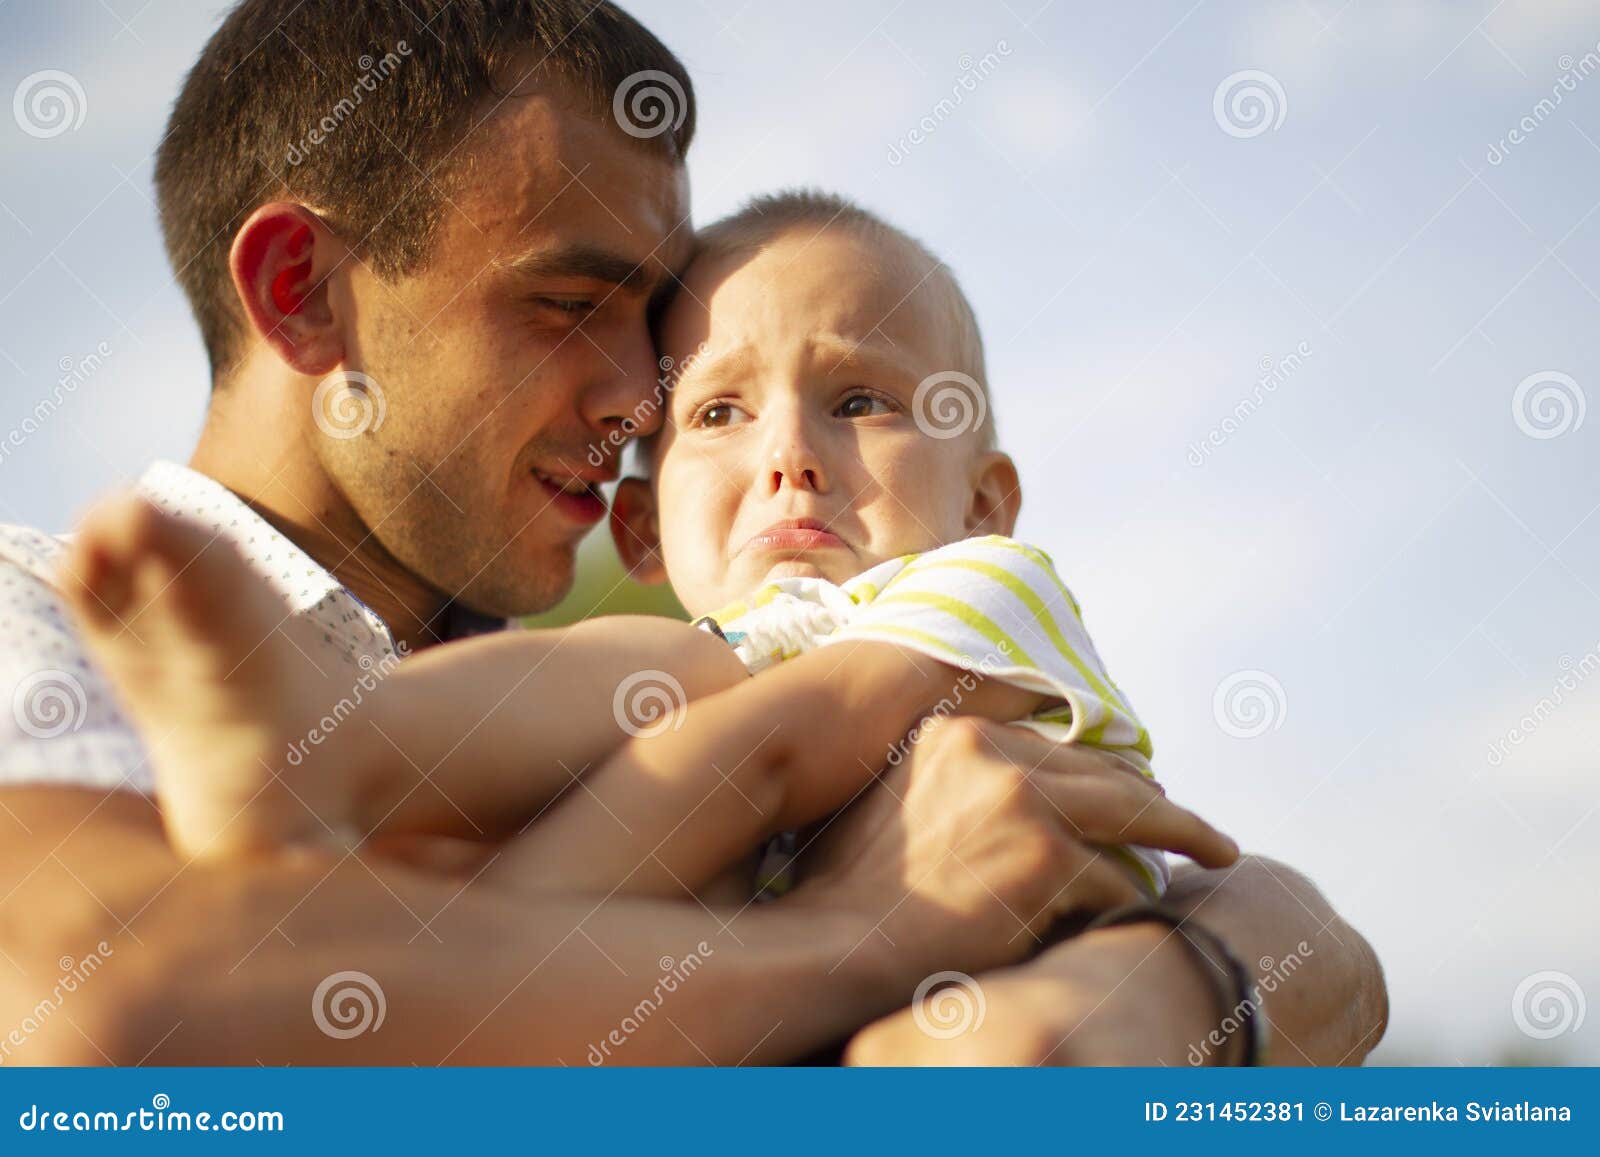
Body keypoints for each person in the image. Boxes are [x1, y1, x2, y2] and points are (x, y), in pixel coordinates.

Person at [0, 0, 1386, 1065]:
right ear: (303, 291)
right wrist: (865, 934)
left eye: (649, 321)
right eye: (565, 302)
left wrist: (1203, 966)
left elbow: (1308, 947)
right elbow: (115, 1006)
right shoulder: (35, 612)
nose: (634, 394)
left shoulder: (589, 682)